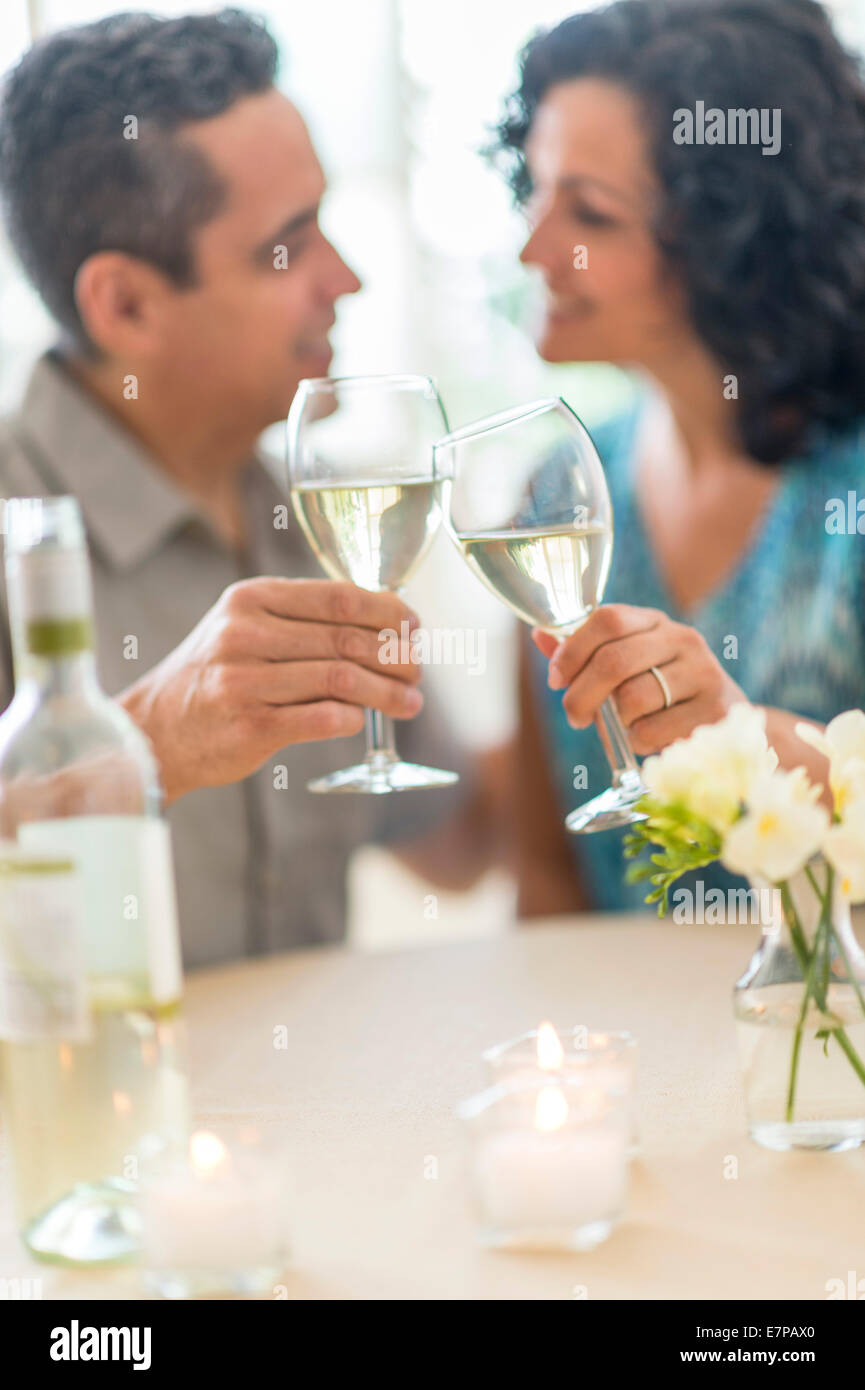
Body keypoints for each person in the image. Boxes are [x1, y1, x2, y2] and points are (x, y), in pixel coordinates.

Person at [0, 10, 507, 965]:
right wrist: (145, 745)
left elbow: (464, 847)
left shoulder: (306, 509)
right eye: (288, 246)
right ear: (127, 306)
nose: (345, 279)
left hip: (312, 1109)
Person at [493, 0, 865, 912]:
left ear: (729, 237)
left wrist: (745, 738)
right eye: (537, 194)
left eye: (589, 213)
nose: (533, 248)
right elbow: (545, 871)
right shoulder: (559, 492)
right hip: (636, 1050)